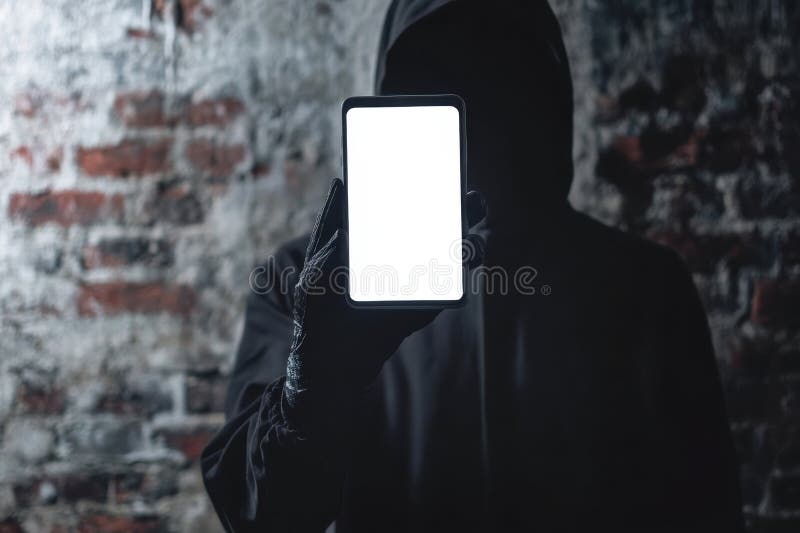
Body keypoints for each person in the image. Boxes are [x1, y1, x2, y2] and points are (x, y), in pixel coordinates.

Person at [201, 1, 744, 531]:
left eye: (500, 75)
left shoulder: (645, 290)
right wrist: (313, 391)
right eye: (439, 79)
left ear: (546, 98)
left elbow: (702, 507)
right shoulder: (311, 284)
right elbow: (256, 515)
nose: (473, 120)